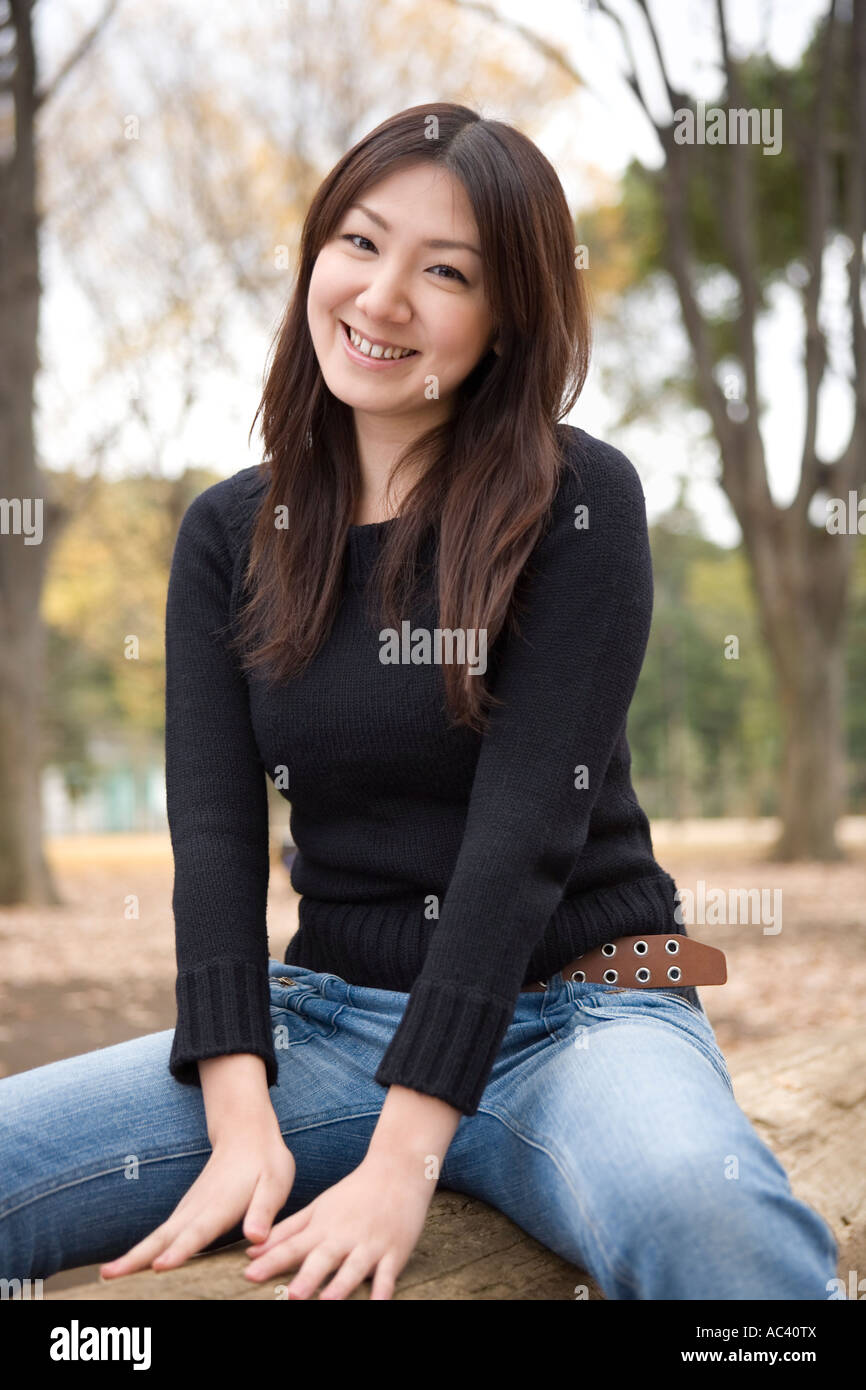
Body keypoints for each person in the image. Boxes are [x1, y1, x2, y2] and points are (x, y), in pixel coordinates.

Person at [0, 103, 839, 1301]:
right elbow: (218, 842)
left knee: (711, 1228)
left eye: (444, 271)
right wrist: (240, 1116)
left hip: (575, 1018)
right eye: (358, 242)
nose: (381, 297)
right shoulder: (229, 533)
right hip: (327, 1026)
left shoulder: (578, 501)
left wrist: (403, 1157)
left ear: (506, 322)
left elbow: (520, 839)